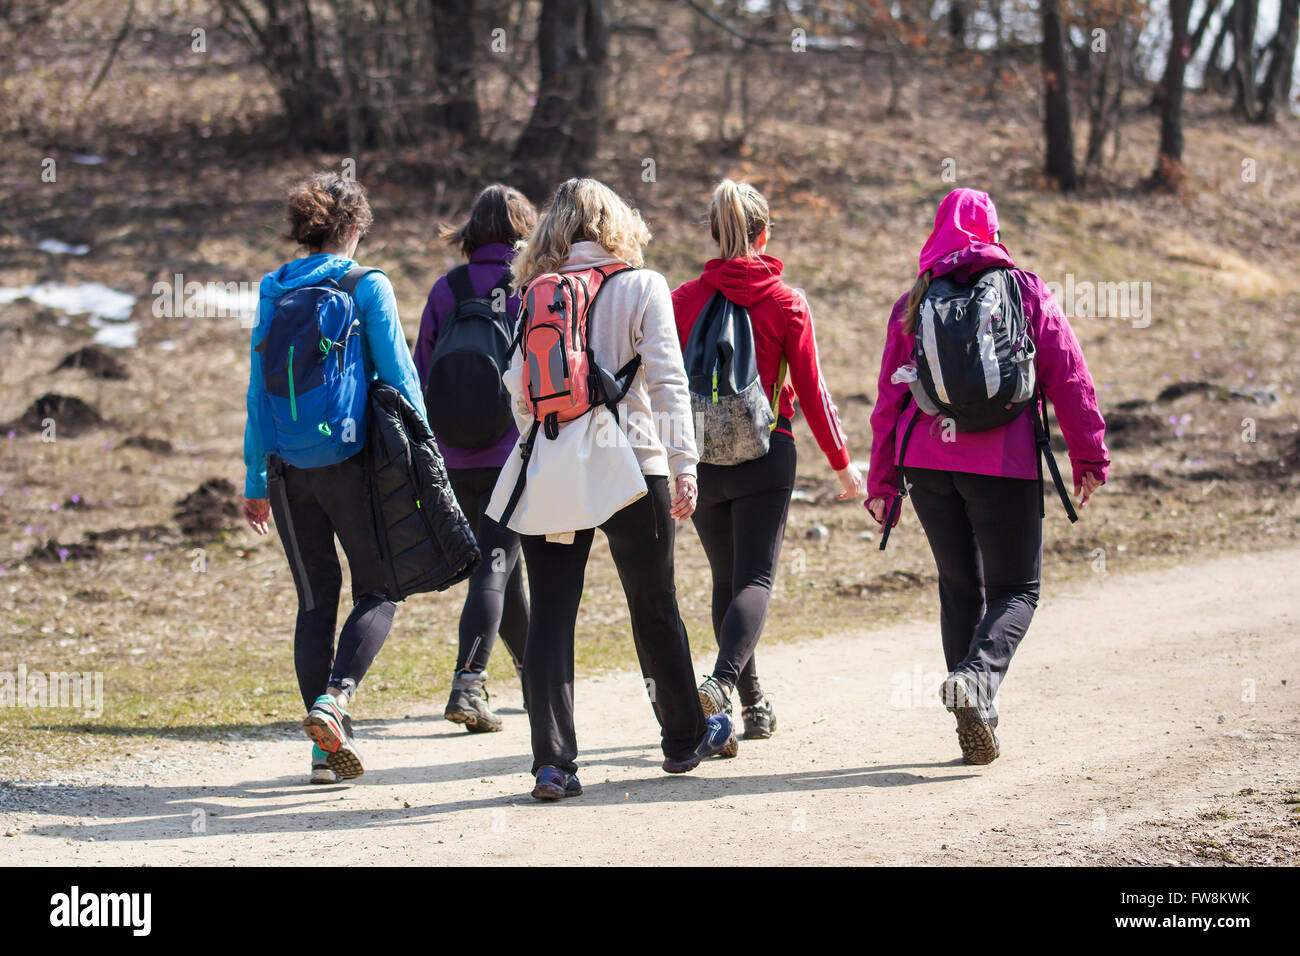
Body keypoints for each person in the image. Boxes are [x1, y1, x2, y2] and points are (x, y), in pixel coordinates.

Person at [487, 177, 736, 800]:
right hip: (633, 464)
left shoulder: (536, 292)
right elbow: (669, 382)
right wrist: (686, 464)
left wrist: (548, 433)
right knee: (654, 606)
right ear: (616, 223)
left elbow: (517, 386)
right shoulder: (642, 284)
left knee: (550, 615)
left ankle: (554, 764)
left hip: (552, 469)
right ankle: (683, 740)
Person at [866, 187, 1109, 765]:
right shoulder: (1024, 291)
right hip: (1003, 464)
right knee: (1016, 589)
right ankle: (976, 683)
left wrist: (882, 484)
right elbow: (1068, 376)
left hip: (926, 464)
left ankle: (978, 709)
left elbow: (889, 399)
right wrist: (1089, 455)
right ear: (993, 233)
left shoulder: (914, 300)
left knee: (959, 587)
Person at [242, 172, 430, 783]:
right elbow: (398, 375)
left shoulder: (273, 289)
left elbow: (255, 395)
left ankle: (326, 752)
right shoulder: (366, 285)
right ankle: (337, 698)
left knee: (314, 603)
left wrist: (254, 479)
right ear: (354, 228)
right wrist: (426, 452)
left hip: (287, 470)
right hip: (351, 463)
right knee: (379, 589)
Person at [671, 179, 863, 741]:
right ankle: (725, 684)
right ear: (765, 232)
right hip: (767, 450)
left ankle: (752, 706)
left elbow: (660, 382)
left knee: (725, 580)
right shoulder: (786, 302)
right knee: (755, 577)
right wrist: (842, 462)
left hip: (703, 457)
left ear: (712, 232)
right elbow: (813, 387)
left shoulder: (682, 299)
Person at [413, 184, 537, 733]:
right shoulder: (529, 288)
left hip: (454, 455)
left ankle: (538, 682)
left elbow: (419, 374)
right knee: (495, 566)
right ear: (523, 231)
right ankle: (468, 683)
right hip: (511, 451)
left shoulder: (447, 289)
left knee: (500, 569)